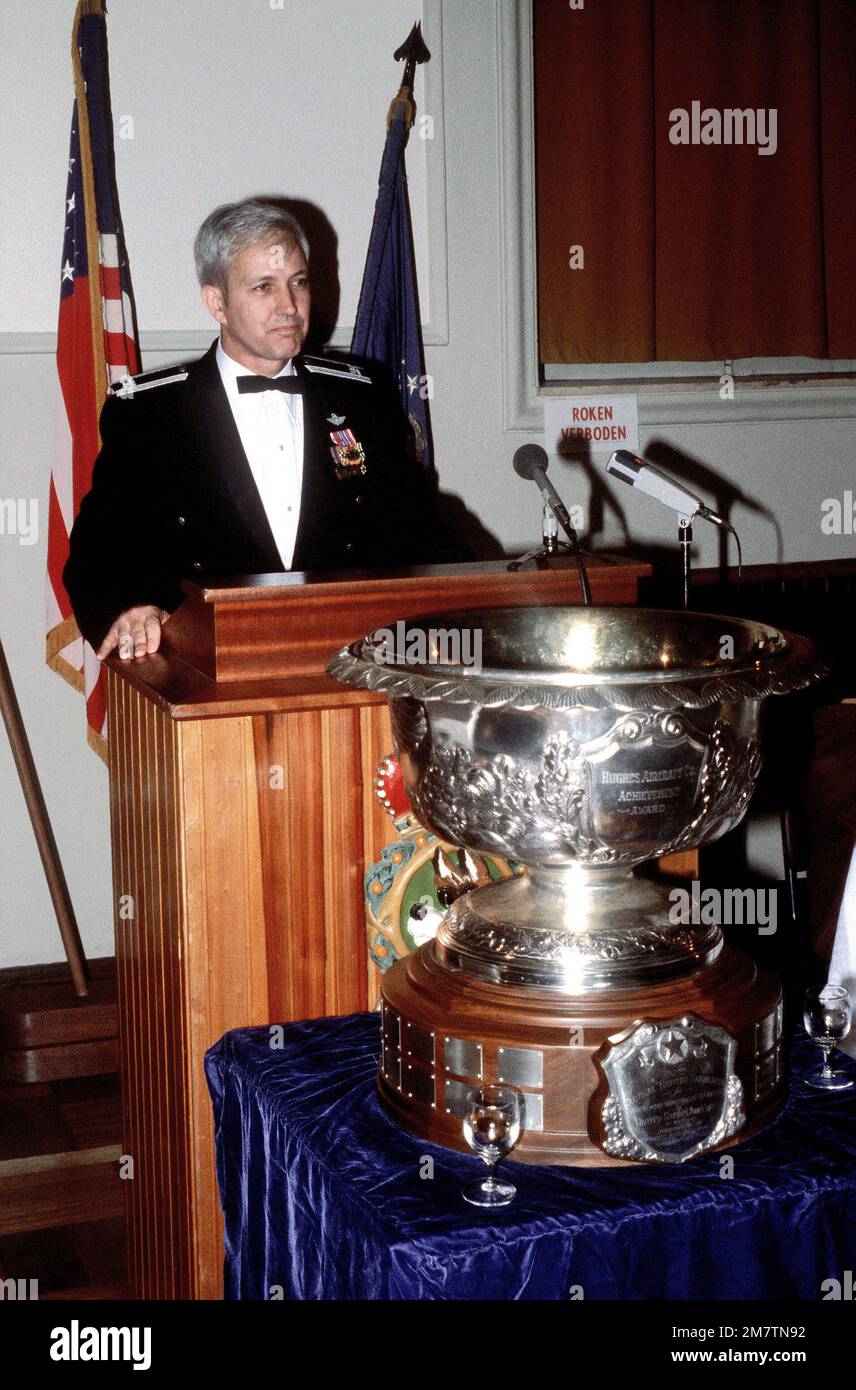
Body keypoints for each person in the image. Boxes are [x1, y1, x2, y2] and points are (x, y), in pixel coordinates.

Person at [63, 198, 453, 661]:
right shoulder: (151, 414)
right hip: (211, 671)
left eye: (298, 282)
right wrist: (128, 608)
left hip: (352, 663)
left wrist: (476, 604)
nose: (289, 306)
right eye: (264, 287)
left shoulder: (360, 399)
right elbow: (100, 551)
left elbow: (419, 529)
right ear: (217, 302)